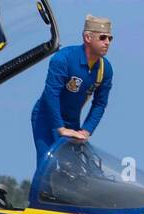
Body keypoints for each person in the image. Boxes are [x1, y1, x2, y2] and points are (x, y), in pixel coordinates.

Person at [31, 14, 114, 170]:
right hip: (46, 118)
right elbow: (51, 94)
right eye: (102, 37)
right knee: (46, 168)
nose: (107, 42)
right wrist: (60, 128)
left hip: (72, 122)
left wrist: (86, 130)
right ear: (88, 37)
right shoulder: (63, 59)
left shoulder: (105, 69)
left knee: (73, 173)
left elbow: (100, 103)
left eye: (110, 38)